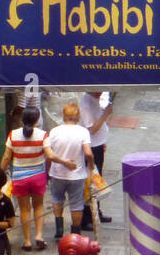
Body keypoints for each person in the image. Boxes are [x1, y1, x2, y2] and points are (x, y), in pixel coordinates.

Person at [44, 101, 96, 239]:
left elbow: (49, 156)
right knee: (76, 204)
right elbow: (88, 153)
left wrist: (47, 172)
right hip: (77, 175)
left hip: (57, 174)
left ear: (63, 116)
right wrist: (91, 163)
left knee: (57, 199)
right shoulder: (83, 132)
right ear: (78, 117)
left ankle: (59, 229)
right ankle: (75, 233)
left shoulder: (54, 131)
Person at [2, 105, 49, 251]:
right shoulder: (43, 135)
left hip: (19, 177)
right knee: (39, 206)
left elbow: (6, 157)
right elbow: (48, 156)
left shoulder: (13, 135)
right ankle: (39, 236)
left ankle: (27, 240)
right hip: (38, 176)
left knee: (24, 209)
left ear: (22, 119)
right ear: (37, 120)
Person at [79, 90, 113, 227]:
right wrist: (106, 114)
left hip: (98, 145)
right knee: (90, 181)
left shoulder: (95, 100)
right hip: (91, 148)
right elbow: (91, 129)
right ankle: (86, 217)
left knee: (97, 180)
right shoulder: (86, 103)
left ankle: (96, 211)